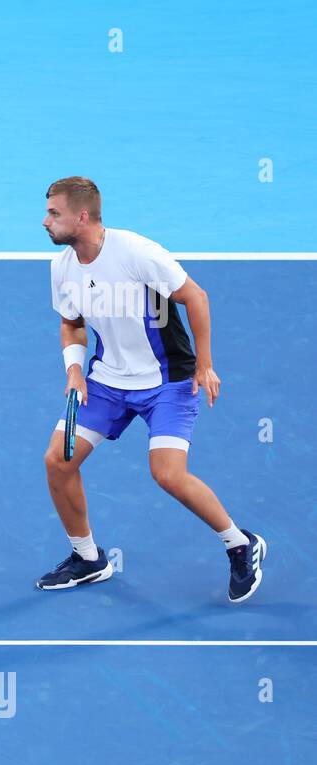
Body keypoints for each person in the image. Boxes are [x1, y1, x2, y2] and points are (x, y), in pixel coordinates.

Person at [38, 177, 265, 603]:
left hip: (167, 382)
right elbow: (71, 321)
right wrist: (74, 371)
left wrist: (205, 364)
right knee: (58, 460)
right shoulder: (62, 266)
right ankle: (88, 558)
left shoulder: (137, 253)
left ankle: (239, 543)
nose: (45, 221)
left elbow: (196, 297)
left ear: (81, 216)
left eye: (54, 213)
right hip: (107, 382)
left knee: (167, 474)